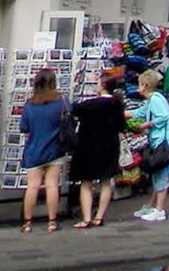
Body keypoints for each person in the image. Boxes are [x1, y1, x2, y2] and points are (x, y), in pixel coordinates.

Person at [69, 74, 128, 227]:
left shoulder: (89, 104)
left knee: (86, 183)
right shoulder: (117, 104)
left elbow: (73, 110)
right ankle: (99, 216)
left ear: (102, 85)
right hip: (109, 146)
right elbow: (122, 126)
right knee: (106, 181)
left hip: (88, 147)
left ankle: (86, 218)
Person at [18, 68, 68, 233]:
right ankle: (52, 221)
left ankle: (27, 223)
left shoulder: (30, 105)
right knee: (52, 185)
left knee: (32, 187)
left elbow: (24, 128)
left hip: (34, 150)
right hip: (55, 149)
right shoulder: (61, 102)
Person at [131, 68, 169, 220]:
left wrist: (146, 125)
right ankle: (150, 206)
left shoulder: (155, 100)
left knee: (161, 174)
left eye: (139, 83)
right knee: (158, 174)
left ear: (145, 85)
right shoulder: (153, 100)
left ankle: (159, 210)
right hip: (164, 141)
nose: (138, 87)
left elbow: (163, 117)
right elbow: (138, 112)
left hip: (165, 142)